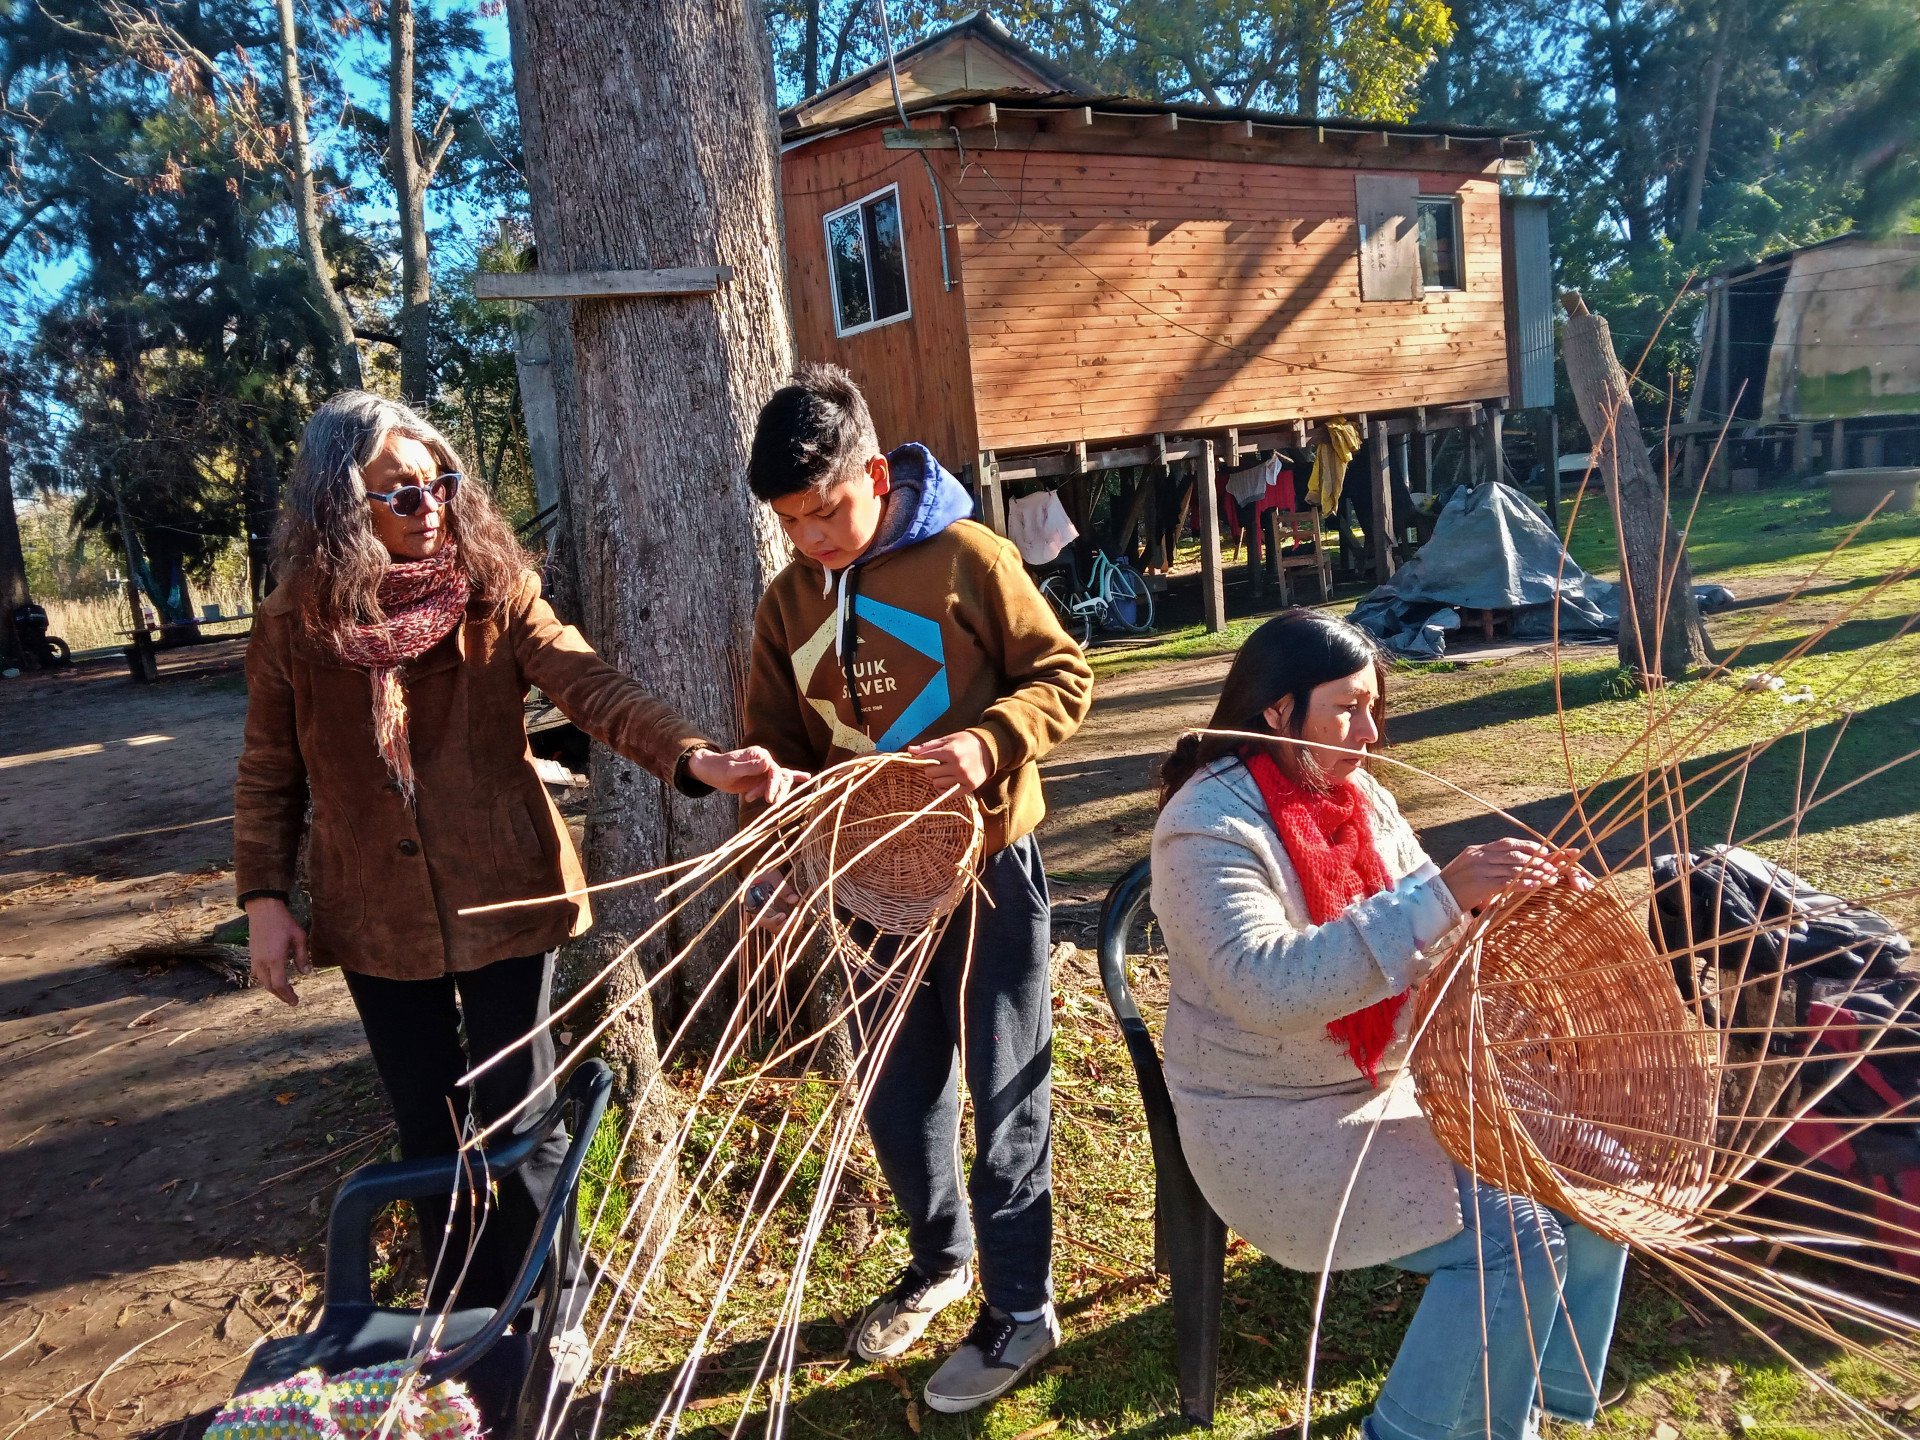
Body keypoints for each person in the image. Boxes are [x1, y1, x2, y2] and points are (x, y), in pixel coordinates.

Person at [234, 390, 789, 1370]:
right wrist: (266, 900)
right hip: (374, 917)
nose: (430, 505)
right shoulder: (293, 629)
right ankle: (468, 1314)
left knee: (520, 1121)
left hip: (509, 896)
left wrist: (696, 758)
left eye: (439, 482)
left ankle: (549, 1308)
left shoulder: (497, 592)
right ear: (339, 511)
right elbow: (270, 771)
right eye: (399, 496)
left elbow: (592, 687)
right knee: (426, 1127)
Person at [1150, 609, 1626, 1440]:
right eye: (1347, 708)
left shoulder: (1357, 792)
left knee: (1592, 1165)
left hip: (1396, 1083)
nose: (1370, 733)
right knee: (1517, 1240)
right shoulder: (1206, 827)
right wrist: (1443, 895)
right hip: (1270, 1122)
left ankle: (1551, 1390)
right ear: (1276, 712)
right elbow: (1265, 986)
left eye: (1376, 707)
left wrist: (1504, 904)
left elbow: (1432, 935)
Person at [741, 364, 1094, 1413]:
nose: (815, 539)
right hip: (867, 888)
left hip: (988, 875)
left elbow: (1065, 676)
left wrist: (990, 746)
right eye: (791, 522)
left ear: (878, 473)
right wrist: (774, 806)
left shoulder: (969, 559)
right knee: (899, 1095)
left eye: (828, 510)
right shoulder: (785, 602)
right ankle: (941, 1260)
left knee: (1004, 1082)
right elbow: (774, 740)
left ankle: (1021, 1307)